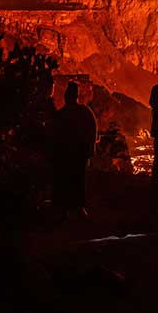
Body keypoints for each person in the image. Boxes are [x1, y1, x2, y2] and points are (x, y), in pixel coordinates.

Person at [52, 81, 97, 218]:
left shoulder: (62, 114)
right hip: (77, 153)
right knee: (78, 180)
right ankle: (77, 207)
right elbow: (92, 132)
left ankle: (66, 207)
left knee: (67, 179)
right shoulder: (84, 112)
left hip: (68, 153)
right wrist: (90, 151)